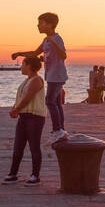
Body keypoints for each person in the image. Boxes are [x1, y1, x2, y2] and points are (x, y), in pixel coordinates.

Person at [11, 12, 68, 145]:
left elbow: (63, 55)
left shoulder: (56, 38)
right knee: (57, 103)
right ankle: (61, 131)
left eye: (41, 23)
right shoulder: (45, 40)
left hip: (57, 75)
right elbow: (35, 53)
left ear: (50, 25)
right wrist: (19, 53)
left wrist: (54, 42)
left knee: (49, 101)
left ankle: (57, 130)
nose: (38, 25)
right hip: (52, 75)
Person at [3, 54, 46, 185]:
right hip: (24, 117)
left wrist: (16, 109)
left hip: (35, 117)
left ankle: (35, 175)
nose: (21, 67)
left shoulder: (37, 80)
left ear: (29, 66)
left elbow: (28, 97)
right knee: (18, 146)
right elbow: (21, 97)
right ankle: (13, 173)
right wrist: (15, 108)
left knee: (34, 146)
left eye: (23, 64)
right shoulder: (26, 80)